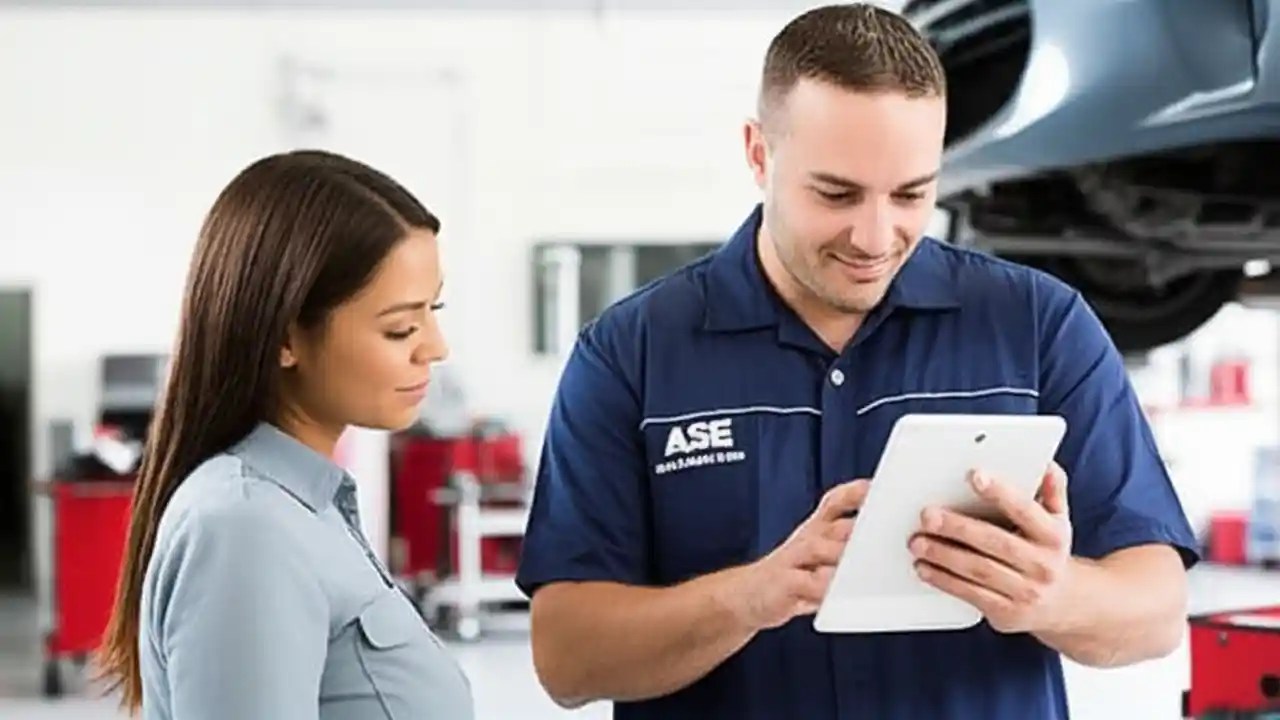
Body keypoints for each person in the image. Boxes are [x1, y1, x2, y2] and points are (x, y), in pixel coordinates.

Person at [515, 4, 1198, 719]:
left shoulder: (1039, 326)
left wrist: (1051, 595)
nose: (875, 236)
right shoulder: (632, 352)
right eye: (836, 193)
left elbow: (1153, 613)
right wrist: (753, 596)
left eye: (911, 194)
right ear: (758, 155)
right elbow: (567, 659)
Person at [97, 150, 473, 719]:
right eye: (401, 327)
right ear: (285, 337)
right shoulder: (247, 527)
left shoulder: (307, 509)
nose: (436, 347)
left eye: (434, 310)